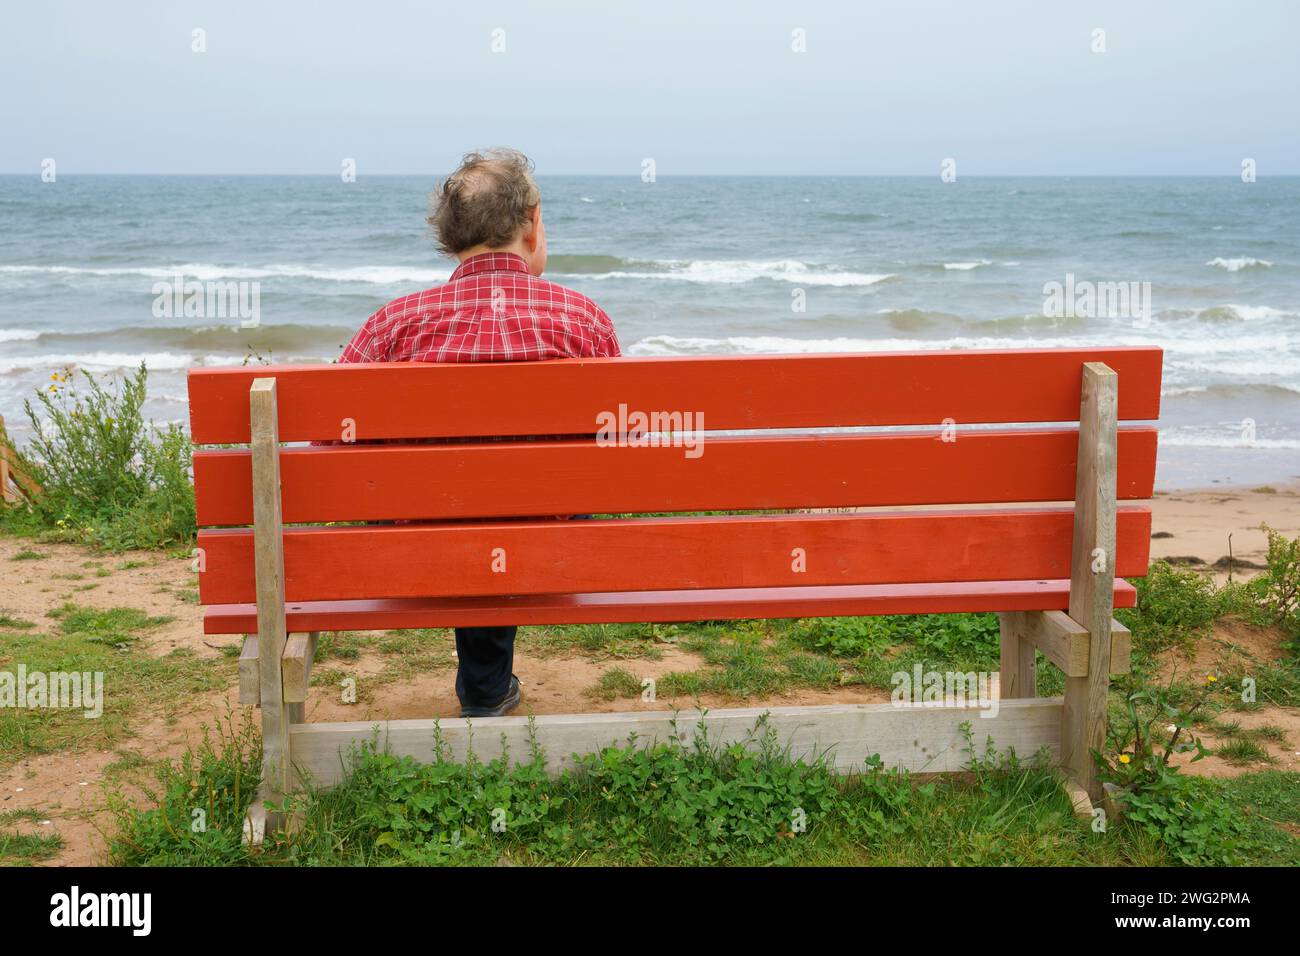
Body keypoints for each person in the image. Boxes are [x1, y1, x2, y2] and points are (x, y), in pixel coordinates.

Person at [337, 148, 621, 717]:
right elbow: (622, 447)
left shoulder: (393, 324)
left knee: (460, 498)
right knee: (529, 494)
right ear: (533, 223)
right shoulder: (582, 320)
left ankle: (487, 688)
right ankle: (488, 689)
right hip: (553, 540)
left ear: (449, 238)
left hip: (426, 543)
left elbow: (330, 444)